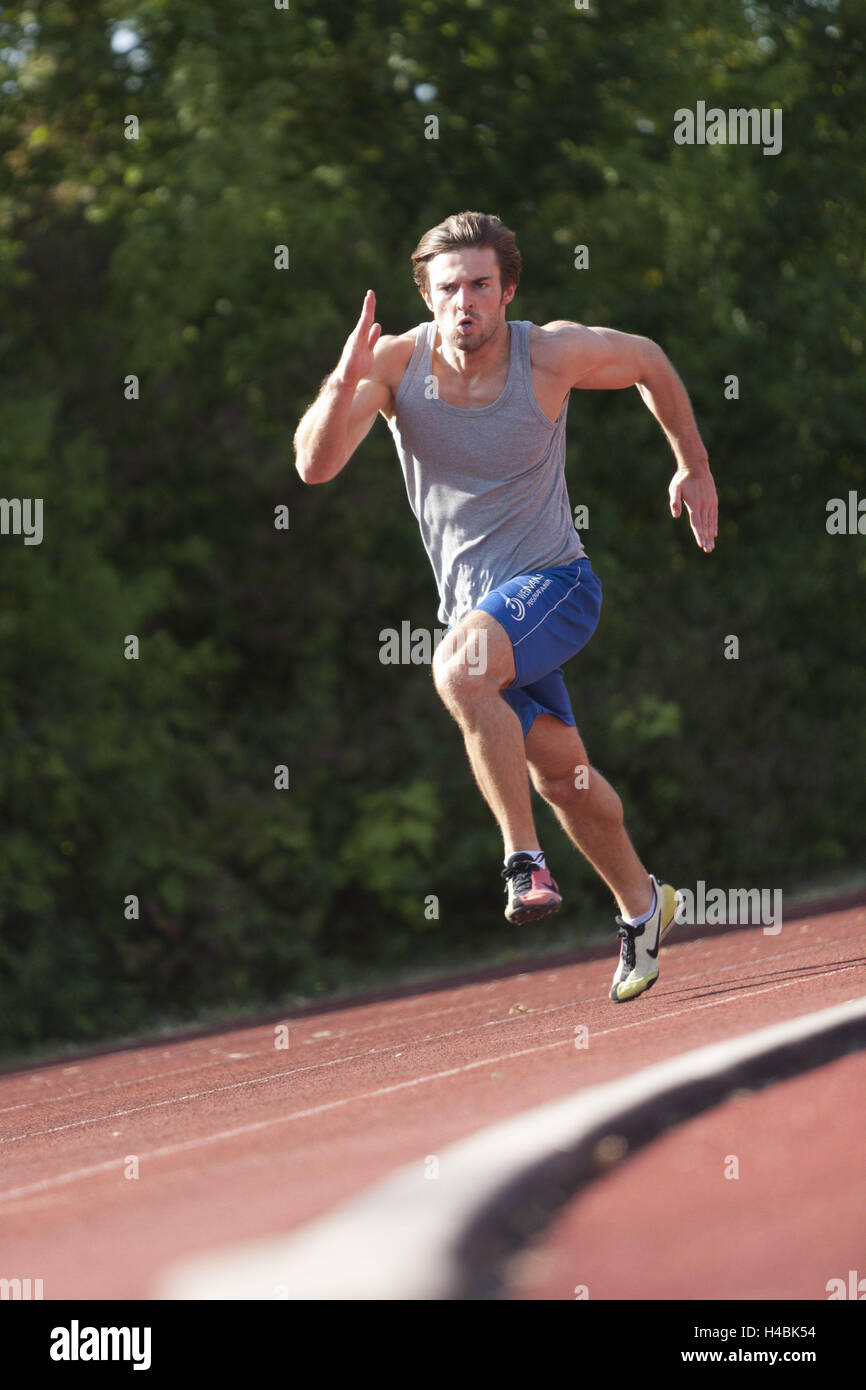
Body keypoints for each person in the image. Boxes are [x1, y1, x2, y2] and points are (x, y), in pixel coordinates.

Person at [294, 211, 718, 1003]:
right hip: (477, 614)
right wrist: (342, 378)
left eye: (482, 285)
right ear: (427, 296)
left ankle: (522, 862)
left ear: (507, 288)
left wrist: (691, 466)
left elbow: (649, 361)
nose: (466, 302)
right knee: (565, 777)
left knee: (458, 672)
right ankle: (643, 903)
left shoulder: (548, 353)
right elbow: (315, 468)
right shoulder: (391, 366)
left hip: (557, 584)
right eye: (450, 288)